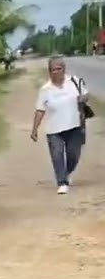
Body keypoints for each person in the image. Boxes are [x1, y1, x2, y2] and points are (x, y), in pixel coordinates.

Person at [31, 55, 90, 194]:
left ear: (64, 69)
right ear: (49, 71)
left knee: (73, 156)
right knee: (57, 155)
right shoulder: (45, 89)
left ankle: (66, 173)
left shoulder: (75, 81)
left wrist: (83, 98)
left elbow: (86, 95)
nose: (56, 72)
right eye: (53, 69)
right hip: (54, 129)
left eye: (59, 68)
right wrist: (34, 129)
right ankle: (62, 182)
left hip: (75, 126)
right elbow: (40, 110)